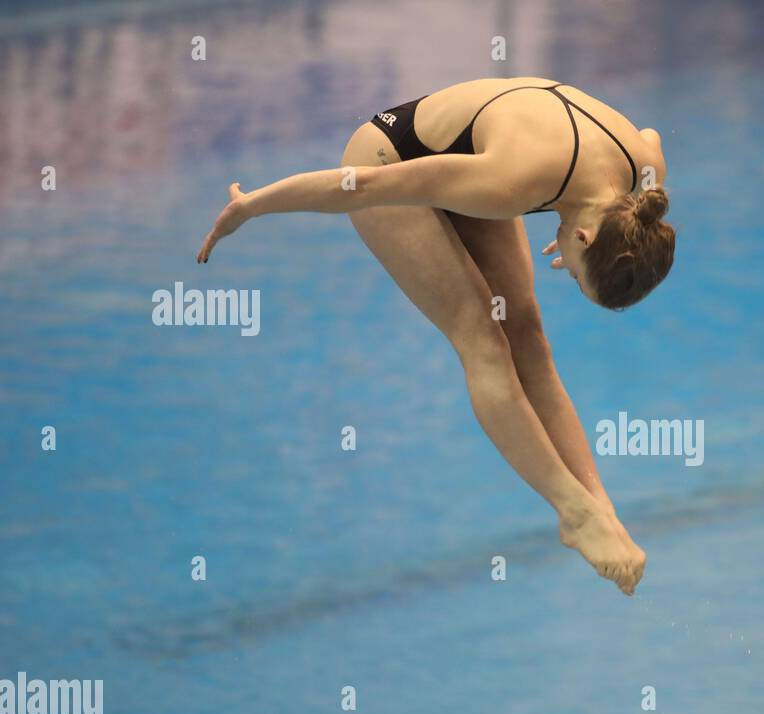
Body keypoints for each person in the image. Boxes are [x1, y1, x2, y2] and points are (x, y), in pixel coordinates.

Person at [198, 78, 677, 595]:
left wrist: (590, 236)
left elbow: (649, 134)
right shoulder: (508, 182)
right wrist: (253, 206)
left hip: (484, 156)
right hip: (388, 161)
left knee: (529, 336)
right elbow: (360, 186)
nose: (567, 268)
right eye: (577, 272)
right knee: (482, 337)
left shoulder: (643, 173)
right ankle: (573, 513)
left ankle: (599, 506)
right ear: (584, 238)